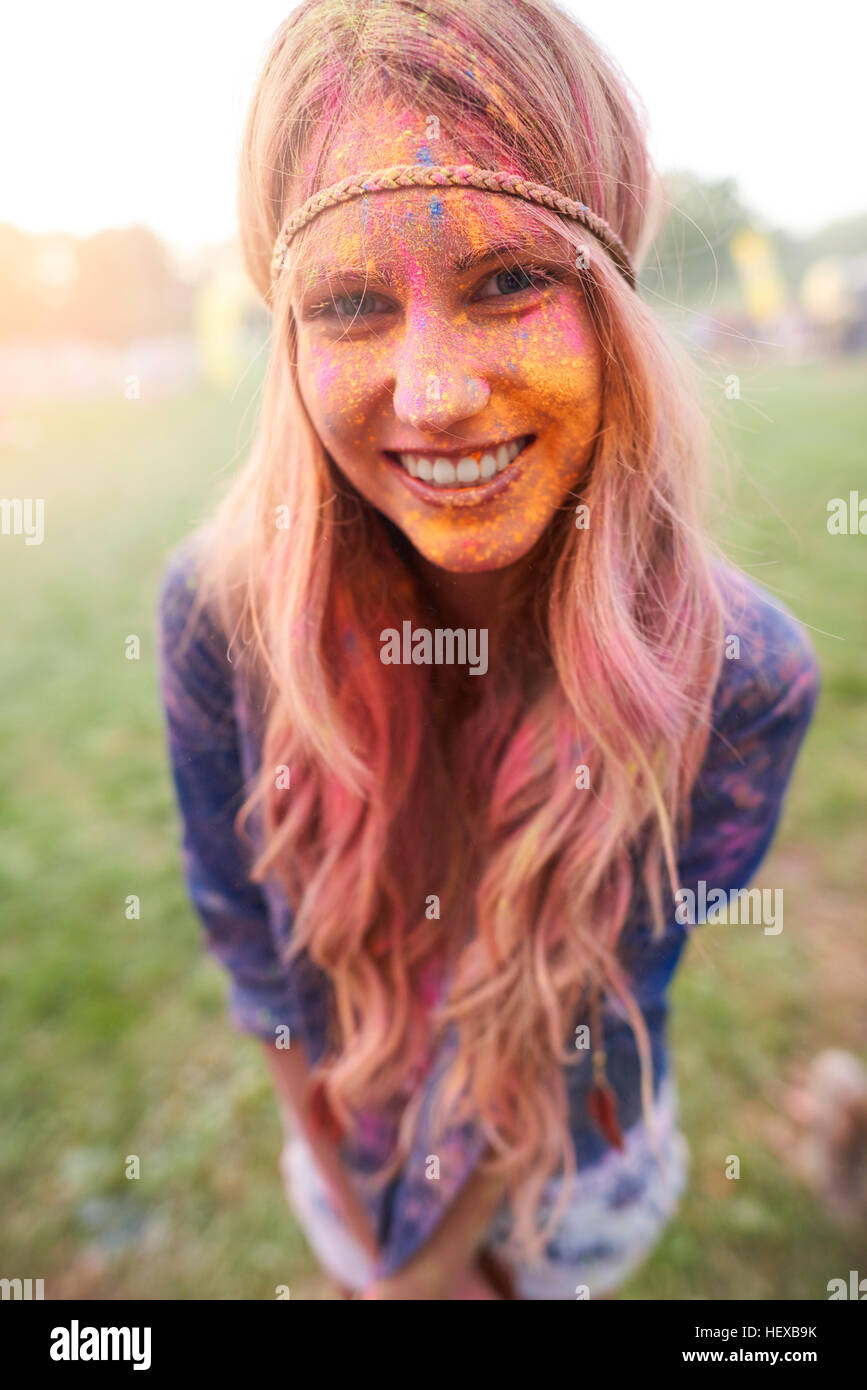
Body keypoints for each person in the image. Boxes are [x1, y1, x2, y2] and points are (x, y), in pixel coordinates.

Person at [156, 0, 821, 1300]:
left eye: (510, 278)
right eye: (350, 303)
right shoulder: (217, 613)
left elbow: (577, 1021)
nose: (434, 390)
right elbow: (251, 949)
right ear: (286, 345)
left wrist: (447, 1271)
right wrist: (376, 1245)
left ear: (615, 308)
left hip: (574, 1196)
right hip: (348, 1177)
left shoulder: (739, 674)